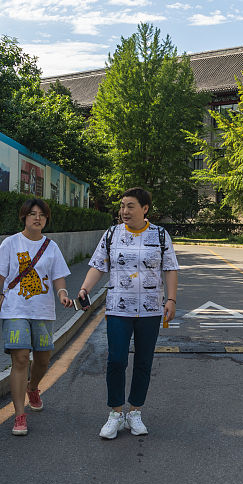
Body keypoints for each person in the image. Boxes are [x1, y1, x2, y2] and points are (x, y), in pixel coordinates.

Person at [76, 187, 178, 440]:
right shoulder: (112, 234)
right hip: (118, 308)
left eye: (130, 206)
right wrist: (84, 288)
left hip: (151, 311)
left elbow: (171, 269)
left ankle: (135, 412)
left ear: (145, 209)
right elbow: (98, 266)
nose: (124, 211)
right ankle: (115, 413)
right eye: (122, 206)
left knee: (143, 362)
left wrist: (172, 299)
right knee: (117, 360)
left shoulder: (160, 235)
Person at [0, 199, 74, 436]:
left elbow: (59, 278)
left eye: (42, 215)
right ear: (24, 217)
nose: (37, 218)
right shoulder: (11, 243)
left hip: (42, 312)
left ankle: (33, 387)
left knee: (43, 360)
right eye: (32, 214)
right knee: (21, 359)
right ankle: (19, 415)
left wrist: (63, 294)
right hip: (15, 310)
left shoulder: (51, 247)